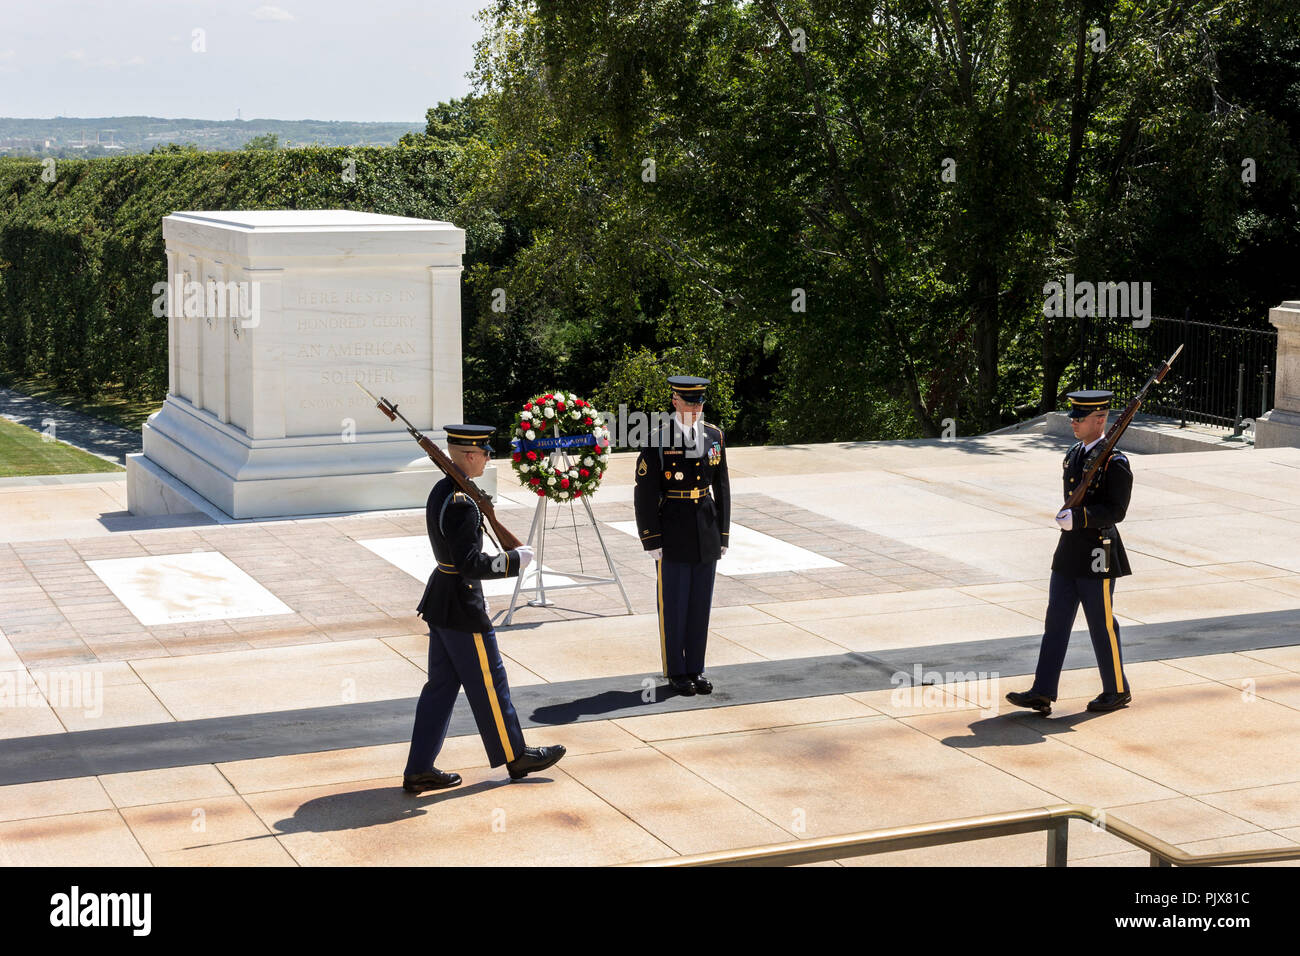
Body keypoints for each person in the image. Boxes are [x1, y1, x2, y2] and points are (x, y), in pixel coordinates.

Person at [403, 423, 566, 793]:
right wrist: (512, 560)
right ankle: (516, 755)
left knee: (441, 687)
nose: (489, 457)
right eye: (486, 452)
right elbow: (470, 563)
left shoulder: (444, 490)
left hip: (444, 600)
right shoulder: (461, 503)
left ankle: (419, 768)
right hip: (462, 604)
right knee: (491, 684)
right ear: (470, 456)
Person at [1006, 391, 1133, 716]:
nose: (1074, 421)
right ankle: (1043, 691)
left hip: (1098, 552)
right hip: (1068, 553)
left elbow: (1116, 510)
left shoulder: (1115, 462)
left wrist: (1081, 517)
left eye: (1081, 417)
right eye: (1074, 416)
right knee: (1056, 622)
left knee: (1100, 623)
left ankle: (1116, 689)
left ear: (1101, 419)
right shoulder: (1074, 455)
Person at [632, 375, 731, 696]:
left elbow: (722, 487)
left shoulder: (714, 435)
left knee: (700, 604)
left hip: (705, 528)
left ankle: (695, 668)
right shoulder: (656, 438)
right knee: (674, 605)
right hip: (672, 529)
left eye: (699, 403)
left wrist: (724, 533)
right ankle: (676, 670)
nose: (695, 408)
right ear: (675, 401)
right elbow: (644, 494)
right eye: (689, 403)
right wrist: (651, 539)